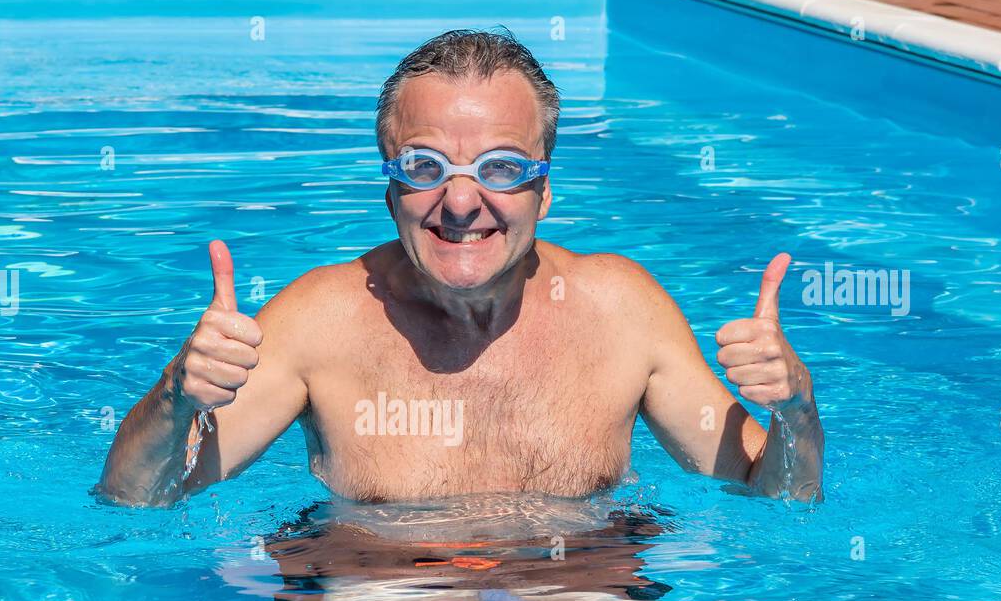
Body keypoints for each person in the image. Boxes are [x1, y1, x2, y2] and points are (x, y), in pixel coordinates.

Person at [96, 28, 824, 508]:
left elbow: (780, 498)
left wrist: (795, 410)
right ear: (391, 189)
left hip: (579, 578)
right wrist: (176, 396)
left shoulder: (620, 312)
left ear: (544, 190)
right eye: (425, 166)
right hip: (379, 582)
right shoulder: (319, 322)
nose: (462, 202)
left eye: (502, 168)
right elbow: (139, 502)